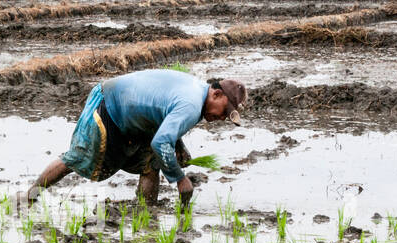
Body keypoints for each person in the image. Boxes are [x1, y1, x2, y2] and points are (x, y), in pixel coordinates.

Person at [26, 69, 247, 209]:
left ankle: (146, 213)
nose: (220, 117)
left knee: (151, 163)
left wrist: (178, 143)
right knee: (78, 158)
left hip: (130, 116)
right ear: (216, 94)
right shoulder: (191, 105)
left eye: (226, 116)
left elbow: (164, 111)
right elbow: (161, 142)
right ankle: (29, 195)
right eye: (223, 110)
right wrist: (180, 179)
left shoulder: (196, 92)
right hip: (109, 107)